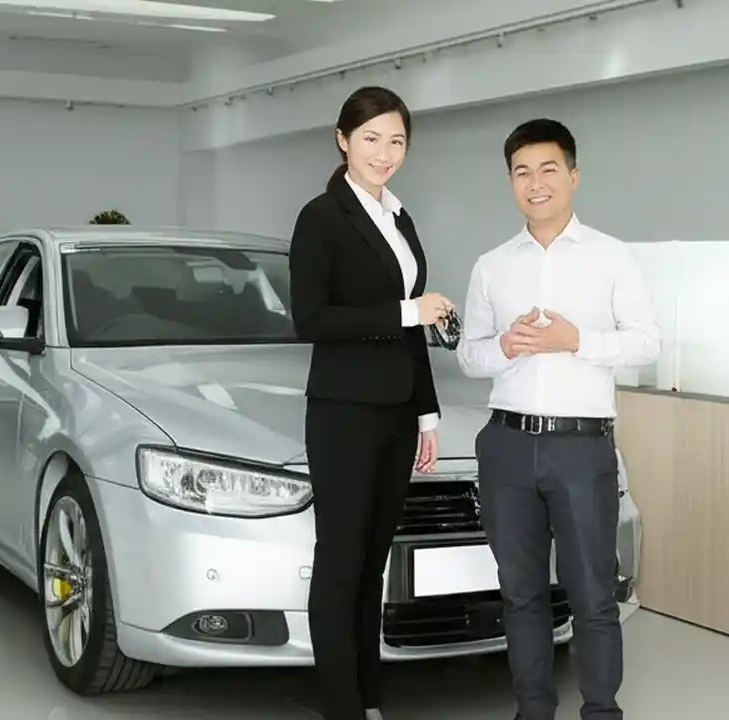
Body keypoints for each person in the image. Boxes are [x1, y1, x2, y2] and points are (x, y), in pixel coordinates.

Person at [456, 118, 661, 720]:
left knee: (593, 595)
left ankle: (601, 712)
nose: (535, 183)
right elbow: (470, 354)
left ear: (572, 175)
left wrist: (579, 340)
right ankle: (532, 712)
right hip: (507, 444)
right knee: (520, 595)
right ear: (511, 182)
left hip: (581, 446)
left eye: (548, 169)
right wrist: (508, 348)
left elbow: (647, 342)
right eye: (522, 172)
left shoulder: (611, 257)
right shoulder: (491, 266)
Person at [288, 86, 455, 720]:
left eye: (396, 141)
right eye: (371, 139)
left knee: (373, 564)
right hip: (342, 413)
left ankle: (367, 697)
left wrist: (427, 412)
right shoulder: (321, 217)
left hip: (395, 411)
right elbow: (311, 319)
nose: (385, 153)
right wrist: (405, 311)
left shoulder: (400, 217)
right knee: (340, 562)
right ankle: (340, 706)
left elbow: (416, 327)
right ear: (342, 140)